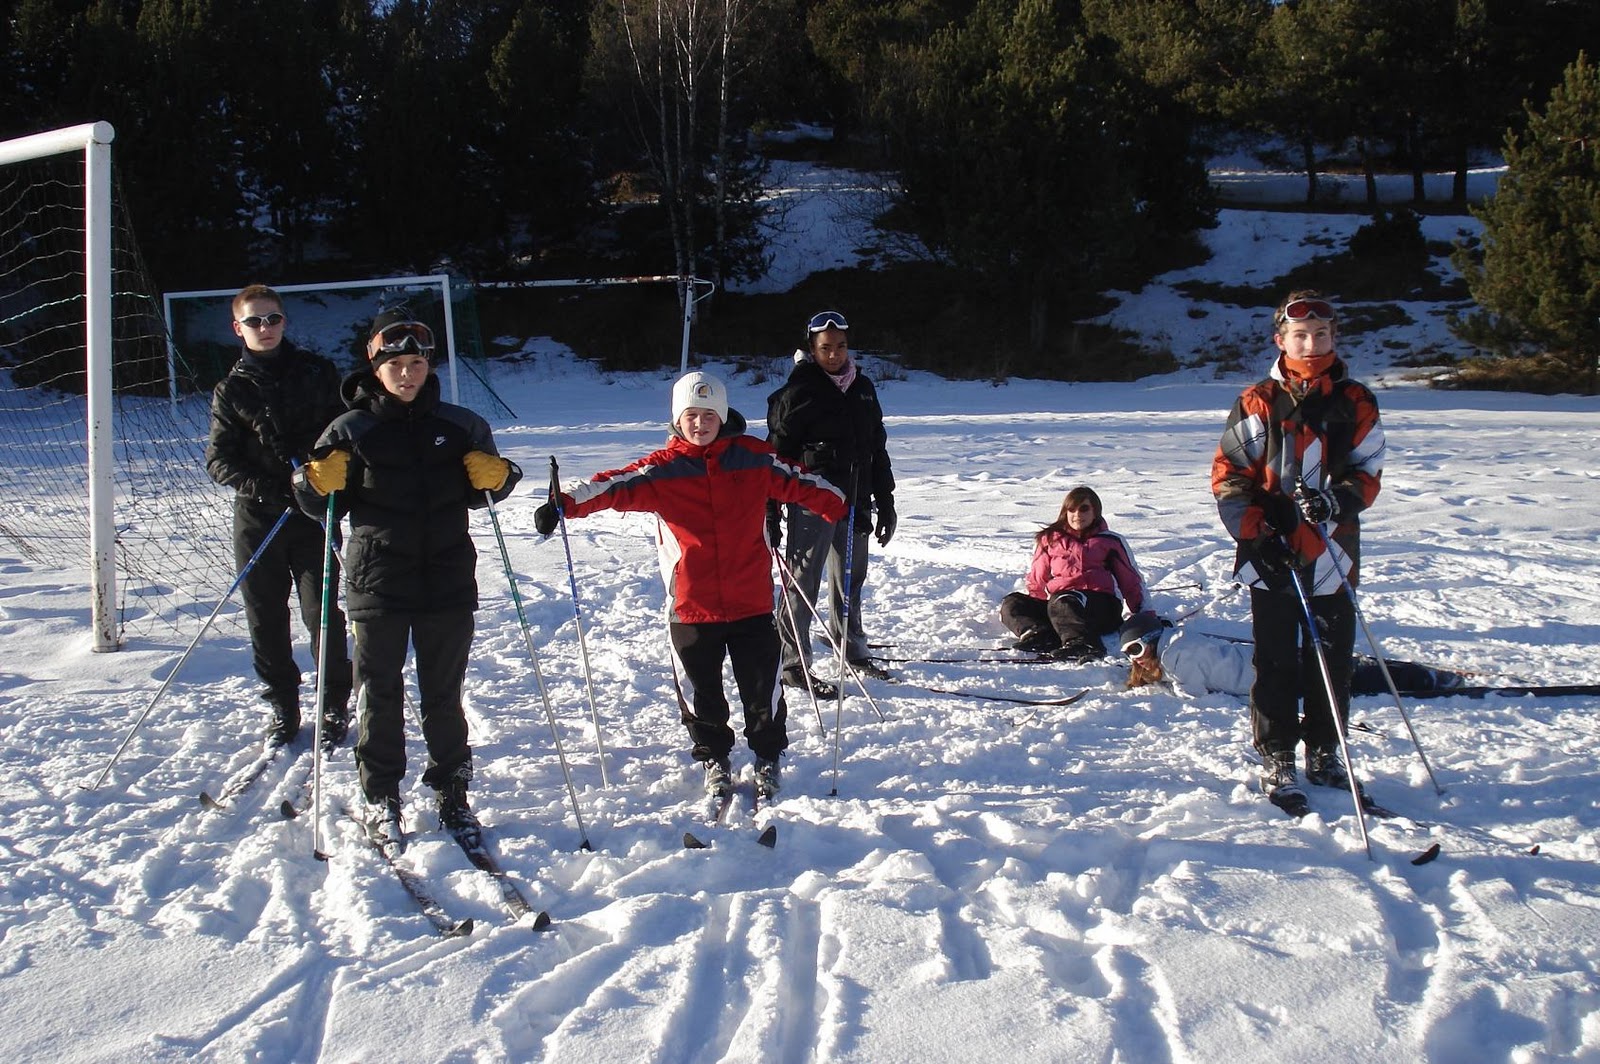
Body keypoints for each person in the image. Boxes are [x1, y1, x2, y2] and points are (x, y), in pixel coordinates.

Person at [534, 371, 846, 800]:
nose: (700, 424)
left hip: (752, 601)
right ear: (678, 420)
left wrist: (836, 502)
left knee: (763, 691)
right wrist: (562, 503)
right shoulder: (662, 471)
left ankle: (768, 756)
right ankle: (715, 758)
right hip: (692, 606)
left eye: (708, 415)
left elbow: (801, 481)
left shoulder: (753, 458)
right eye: (691, 416)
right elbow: (609, 485)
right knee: (705, 694)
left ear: (722, 416)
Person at [292, 309, 521, 855]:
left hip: (446, 575)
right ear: (376, 368)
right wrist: (311, 483)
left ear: (428, 365)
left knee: (444, 693)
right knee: (379, 690)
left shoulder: (461, 424)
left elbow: (487, 486)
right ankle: (381, 796)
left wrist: (502, 475)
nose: (407, 374)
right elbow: (319, 504)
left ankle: (452, 791)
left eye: (416, 363)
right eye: (395, 364)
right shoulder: (349, 429)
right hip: (378, 579)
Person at [1211, 289, 1385, 810]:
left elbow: (1368, 469)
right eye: (1301, 335)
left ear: (1335, 337)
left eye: (1322, 334)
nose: (1312, 343)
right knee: (1276, 659)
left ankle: (1326, 751)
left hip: (1333, 551)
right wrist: (1257, 532)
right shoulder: (1258, 399)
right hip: (1270, 552)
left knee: (1332, 658)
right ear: (1281, 339)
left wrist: (1335, 503)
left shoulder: (1355, 399)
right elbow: (1229, 475)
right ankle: (1278, 754)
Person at [205, 284, 353, 751]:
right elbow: (219, 460)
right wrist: (274, 490)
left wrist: (322, 478)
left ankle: (333, 705)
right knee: (265, 616)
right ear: (238, 328)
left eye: (272, 319)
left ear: (284, 321)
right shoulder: (231, 389)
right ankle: (283, 707)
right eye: (254, 322)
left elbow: (343, 434)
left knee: (322, 612)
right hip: (259, 517)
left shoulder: (317, 372)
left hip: (312, 514)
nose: (264, 328)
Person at [766, 310, 896, 697]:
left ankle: (850, 646)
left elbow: (877, 447)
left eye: (840, 346)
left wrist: (885, 500)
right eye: (826, 348)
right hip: (812, 502)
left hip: (857, 499)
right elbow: (775, 458)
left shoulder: (862, 387)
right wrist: (771, 510)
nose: (835, 354)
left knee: (851, 579)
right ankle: (792, 660)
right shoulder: (797, 393)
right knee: (802, 580)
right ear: (812, 348)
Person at [997, 486, 1148, 662]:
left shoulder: (1110, 541)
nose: (1077, 514)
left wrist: (1144, 613)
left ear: (1095, 512)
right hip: (1062, 606)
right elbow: (1037, 577)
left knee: (1065, 599)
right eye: (1072, 509)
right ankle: (1041, 635)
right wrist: (1037, 609)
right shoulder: (1050, 539)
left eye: (1084, 509)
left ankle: (1084, 643)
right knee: (1012, 603)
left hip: (1101, 608)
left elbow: (1130, 580)